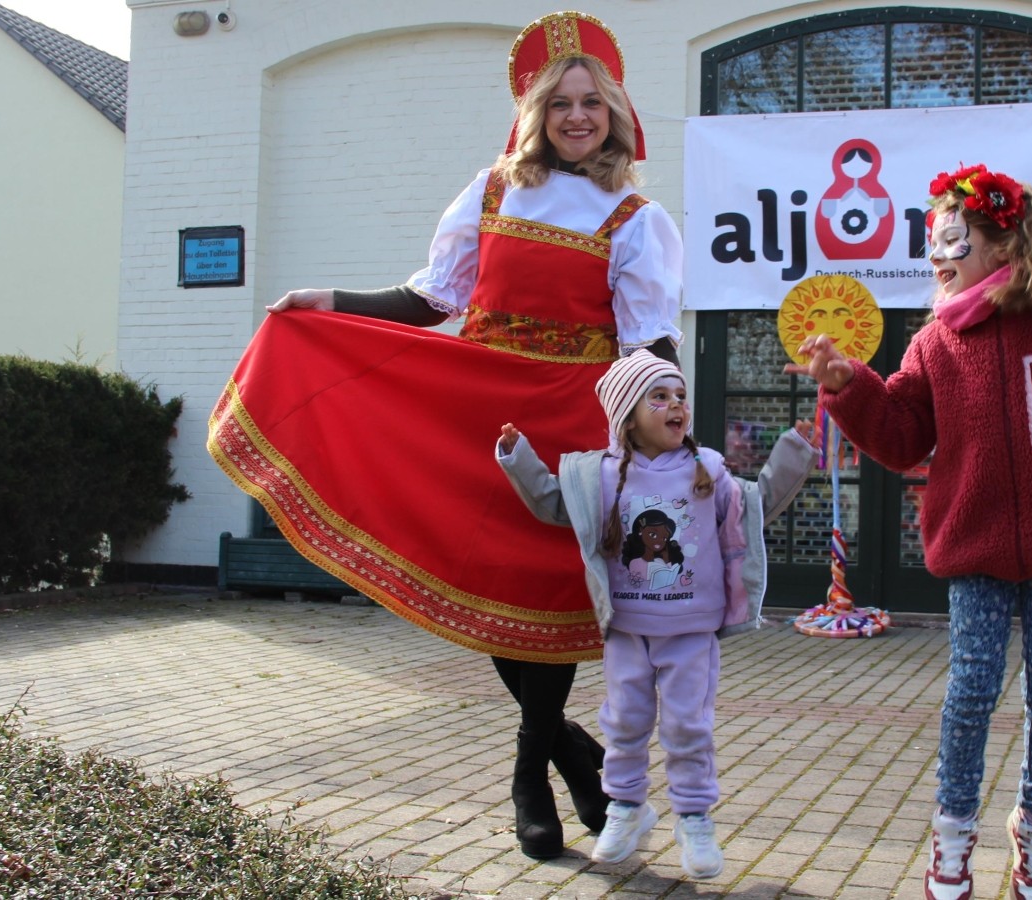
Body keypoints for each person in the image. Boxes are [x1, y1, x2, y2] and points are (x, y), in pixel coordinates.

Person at [205, 11, 682, 861]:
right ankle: (570, 755)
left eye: (593, 104)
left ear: (614, 114)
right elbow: (430, 300)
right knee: (491, 589)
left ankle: (530, 772)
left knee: (543, 596)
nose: (578, 117)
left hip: (576, 424)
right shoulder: (495, 188)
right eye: (562, 102)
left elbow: (650, 345)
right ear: (537, 112)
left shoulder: (636, 216)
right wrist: (334, 304)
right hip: (482, 413)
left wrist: (673, 441)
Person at [785, 162, 1032, 900]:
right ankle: (953, 835)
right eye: (933, 242)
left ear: (1005, 245)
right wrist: (849, 386)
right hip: (975, 548)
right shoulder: (937, 343)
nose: (939, 254)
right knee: (970, 693)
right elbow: (904, 434)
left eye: (954, 239)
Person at [494, 350, 814, 879]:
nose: (676, 406)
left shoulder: (705, 468)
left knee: (689, 727)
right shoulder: (600, 474)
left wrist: (794, 450)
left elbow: (755, 507)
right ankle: (626, 808)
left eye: (680, 397)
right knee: (623, 725)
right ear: (627, 415)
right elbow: (556, 504)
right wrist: (518, 456)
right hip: (627, 630)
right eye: (659, 397)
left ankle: (694, 819)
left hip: (691, 631)